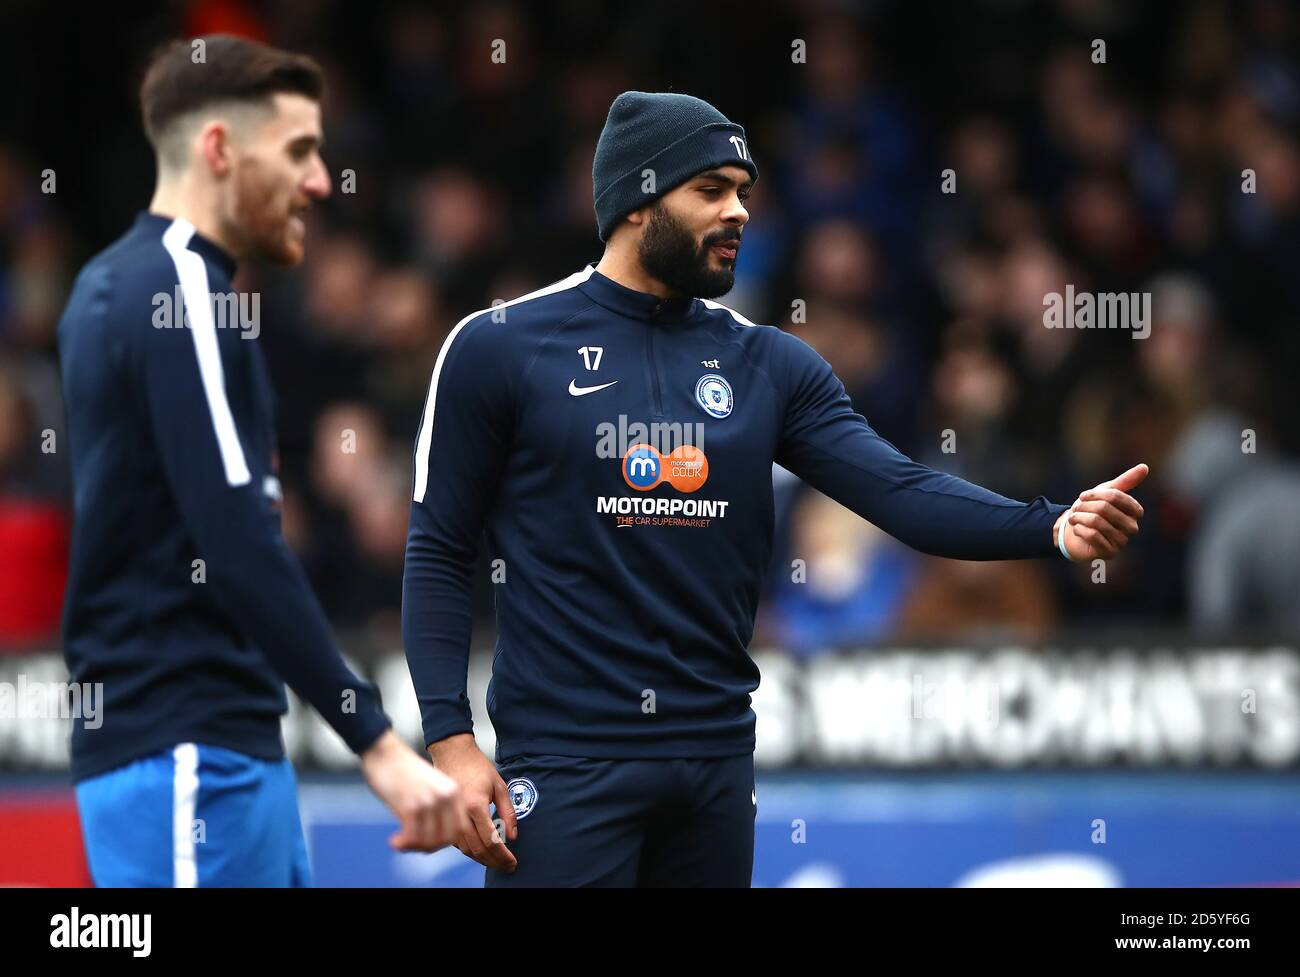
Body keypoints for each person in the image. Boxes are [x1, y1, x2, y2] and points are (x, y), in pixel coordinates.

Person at [402, 91, 1146, 887]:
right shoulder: (500, 347)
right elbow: (441, 548)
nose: (738, 213)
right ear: (636, 200)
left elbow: (898, 490)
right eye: (712, 190)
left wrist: (1052, 525)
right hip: (565, 765)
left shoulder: (771, 365)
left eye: (745, 193)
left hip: (714, 768)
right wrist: (450, 740)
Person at [57, 35, 466, 888]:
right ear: (219, 149)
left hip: (214, 749)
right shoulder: (179, 293)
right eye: (300, 151)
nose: (320, 181)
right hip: (188, 759)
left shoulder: (117, 284)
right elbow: (237, 537)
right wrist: (375, 738)